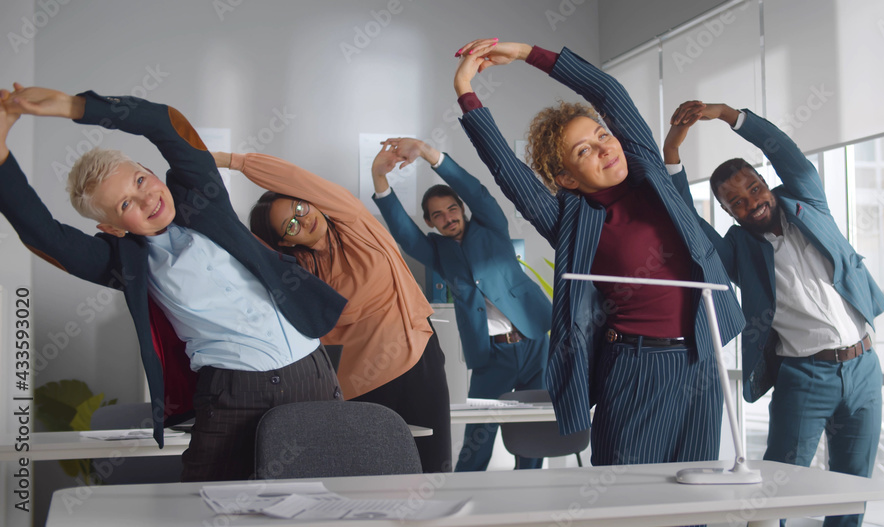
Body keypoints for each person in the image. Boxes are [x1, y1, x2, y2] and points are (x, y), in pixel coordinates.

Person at [0, 84, 347, 482]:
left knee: (323, 497)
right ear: (112, 227)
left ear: (149, 172)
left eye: (139, 181)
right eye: (125, 205)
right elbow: (45, 236)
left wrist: (73, 106)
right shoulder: (126, 263)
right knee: (204, 503)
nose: (146, 199)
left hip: (311, 374)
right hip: (235, 392)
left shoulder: (203, 196)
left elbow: (166, 125)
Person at [451, 39, 745, 467]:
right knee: (627, 492)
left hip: (703, 353)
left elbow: (609, 92)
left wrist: (526, 52)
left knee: (697, 486)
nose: (604, 148)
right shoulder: (570, 222)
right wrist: (465, 89)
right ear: (567, 178)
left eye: (602, 135)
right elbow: (506, 168)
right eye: (583, 151)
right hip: (637, 365)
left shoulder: (648, 169)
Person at [672, 101, 884, 527]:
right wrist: (673, 154)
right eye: (736, 201)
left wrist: (729, 115)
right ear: (728, 212)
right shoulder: (737, 252)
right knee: (779, 488)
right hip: (804, 377)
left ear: (765, 183)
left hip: (864, 367)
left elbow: (786, 152)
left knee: (852, 488)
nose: (751, 202)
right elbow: (688, 222)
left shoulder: (809, 204)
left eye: (754, 189)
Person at [212, 150, 452, 472]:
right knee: (370, 479)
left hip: (415, 362)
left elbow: (295, 178)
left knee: (432, 469)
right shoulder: (298, 274)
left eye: (300, 207)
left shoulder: (354, 222)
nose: (303, 219)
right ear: (285, 242)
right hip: (357, 388)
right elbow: (246, 251)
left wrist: (233, 161)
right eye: (291, 225)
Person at [371, 137, 551, 471]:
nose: (448, 217)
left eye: (452, 209)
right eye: (438, 215)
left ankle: (529, 487)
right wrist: (379, 178)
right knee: (478, 437)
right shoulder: (438, 253)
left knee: (532, 434)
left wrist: (428, 153)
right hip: (490, 354)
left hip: (533, 341)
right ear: (430, 223)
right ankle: (463, 492)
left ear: (462, 208)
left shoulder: (491, 225)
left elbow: (476, 191)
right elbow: (404, 233)